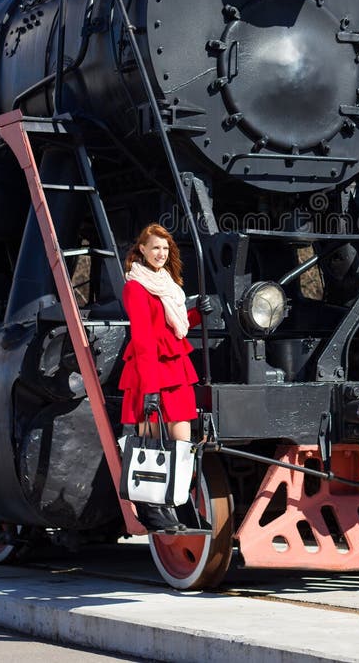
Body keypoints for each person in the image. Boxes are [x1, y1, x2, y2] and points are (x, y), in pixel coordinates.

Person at [119, 222, 201, 532]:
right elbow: (143, 340)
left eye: (165, 248)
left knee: (182, 442)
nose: (161, 253)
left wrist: (198, 314)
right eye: (155, 248)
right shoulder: (135, 287)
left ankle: (178, 503)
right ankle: (151, 508)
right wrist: (150, 390)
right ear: (142, 249)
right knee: (150, 445)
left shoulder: (167, 282)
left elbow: (172, 327)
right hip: (150, 372)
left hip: (175, 369)